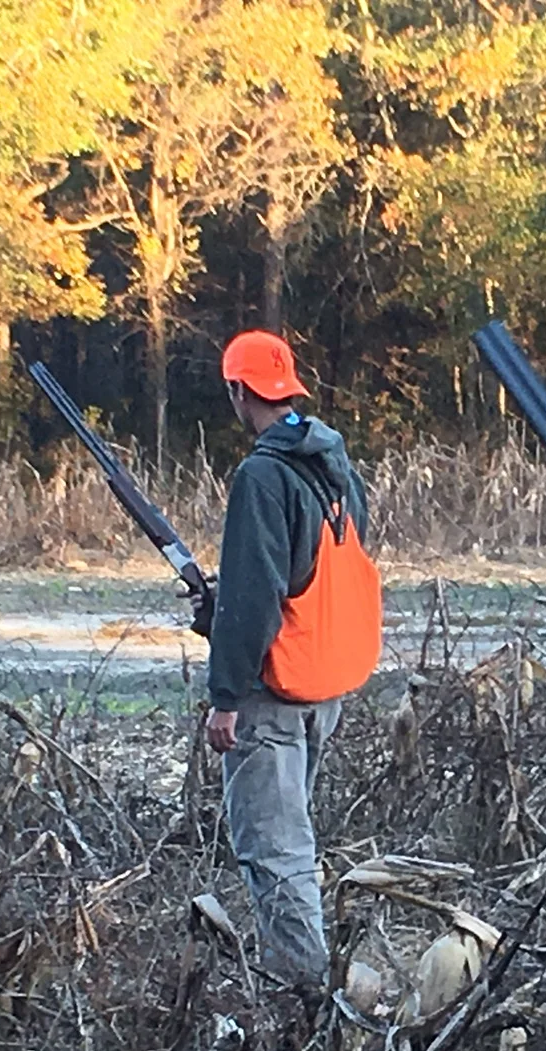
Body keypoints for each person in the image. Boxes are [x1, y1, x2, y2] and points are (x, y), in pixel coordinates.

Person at [206, 330, 382, 994]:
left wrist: (226, 695)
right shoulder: (333, 463)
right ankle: (309, 977)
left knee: (275, 850)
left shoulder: (262, 474)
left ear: (237, 391)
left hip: (273, 694)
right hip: (323, 684)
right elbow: (309, 571)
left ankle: (312, 998)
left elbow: (254, 594)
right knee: (291, 841)